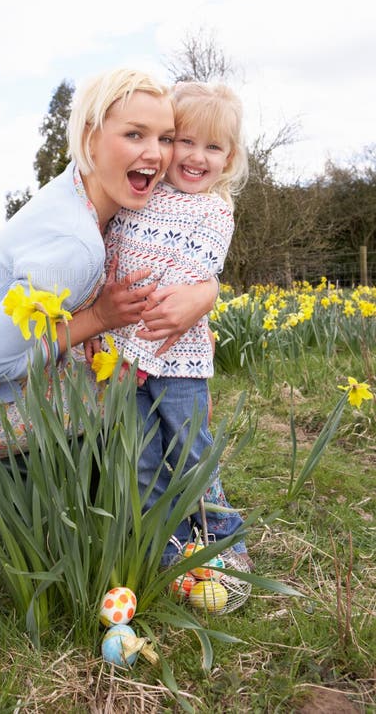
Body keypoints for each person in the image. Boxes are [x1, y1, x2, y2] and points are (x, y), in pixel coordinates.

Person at [0, 68, 218, 457]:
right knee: (147, 378)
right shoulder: (76, 246)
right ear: (90, 139)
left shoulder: (86, 190)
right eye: (134, 134)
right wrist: (98, 320)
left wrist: (206, 293)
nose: (156, 153)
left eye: (166, 138)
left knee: (164, 351)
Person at [103, 81, 251, 566]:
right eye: (186, 141)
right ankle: (168, 550)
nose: (196, 156)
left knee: (191, 455)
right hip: (124, 358)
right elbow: (113, 258)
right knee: (142, 459)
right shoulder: (139, 197)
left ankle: (224, 540)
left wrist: (135, 357)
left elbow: (183, 284)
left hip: (177, 360)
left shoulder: (215, 210)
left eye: (212, 147)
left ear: (228, 159)